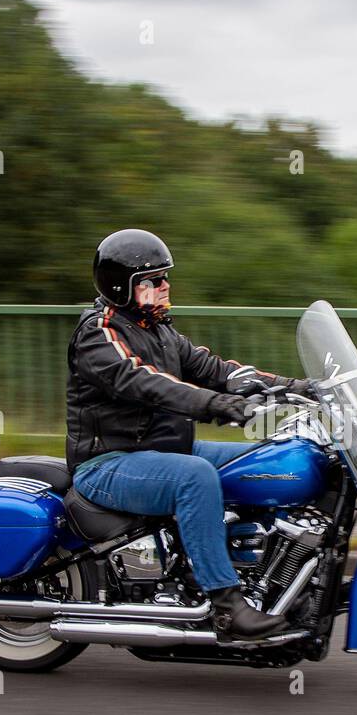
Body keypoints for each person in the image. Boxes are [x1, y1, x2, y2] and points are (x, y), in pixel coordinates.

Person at [66, 229, 311, 639]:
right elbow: (147, 382)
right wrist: (224, 407)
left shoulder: (160, 331)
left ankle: (274, 576)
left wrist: (296, 387)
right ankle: (227, 605)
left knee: (272, 459)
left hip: (166, 449)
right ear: (123, 287)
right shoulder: (99, 333)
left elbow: (216, 370)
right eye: (153, 280)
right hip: (108, 463)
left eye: (165, 278)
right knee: (195, 476)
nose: (165, 287)